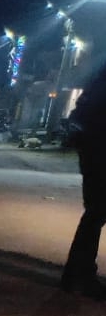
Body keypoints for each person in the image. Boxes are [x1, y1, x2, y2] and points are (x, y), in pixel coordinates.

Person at [61, 64, 106, 299]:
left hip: (93, 154)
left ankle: (74, 275)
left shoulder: (97, 83)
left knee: (94, 216)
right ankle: (81, 276)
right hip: (99, 156)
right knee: (95, 215)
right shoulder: (101, 86)